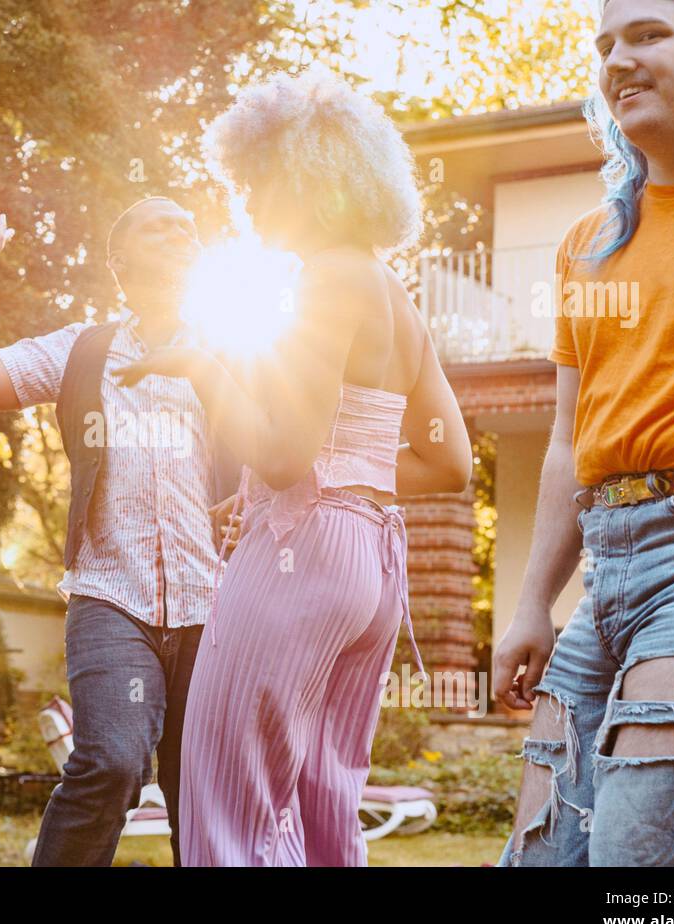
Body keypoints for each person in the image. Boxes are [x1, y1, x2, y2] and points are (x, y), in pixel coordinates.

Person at [117, 67, 472, 866]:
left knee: (226, 788)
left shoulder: (324, 281)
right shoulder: (397, 296)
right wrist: (343, 488)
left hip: (302, 558)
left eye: (255, 182)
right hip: (373, 563)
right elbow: (448, 460)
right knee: (322, 799)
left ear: (307, 179)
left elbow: (283, 455)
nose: (244, 202)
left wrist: (205, 368)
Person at [494, 0, 674, 867]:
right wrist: (530, 604)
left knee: (644, 863)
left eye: (650, 34)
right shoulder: (587, 244)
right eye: (606, 44)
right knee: (544, 854)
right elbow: (566, 439)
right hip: (608, 568)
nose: (619, 58)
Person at [0, 200, 242, 866]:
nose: (182, 233)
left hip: (214, 607)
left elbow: (279, 452)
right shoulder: (82, 349)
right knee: (111, 761)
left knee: (206, 793)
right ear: (118, 260)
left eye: (188, 227)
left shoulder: (232, 354)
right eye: (159, 225)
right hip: (111, 596)